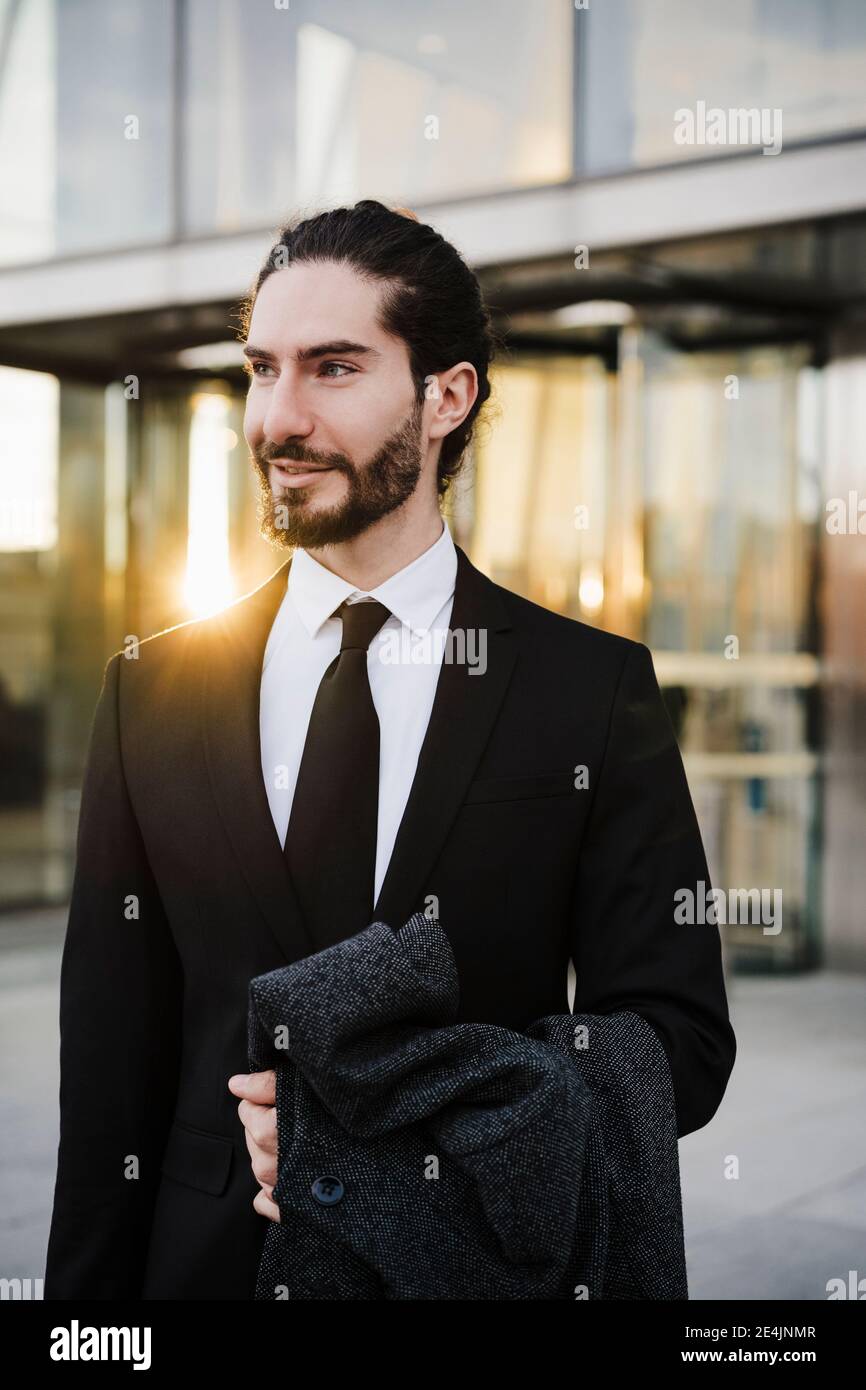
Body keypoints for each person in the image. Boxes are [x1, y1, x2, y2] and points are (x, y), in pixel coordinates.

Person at [44, 200, 735, 1300]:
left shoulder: (587, 690)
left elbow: (678, 1044)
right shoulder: (152, 689)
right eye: (261, 369)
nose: (278, 418)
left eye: (332, 368)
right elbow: (109, 1075)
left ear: (445, 395)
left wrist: (393, 1131)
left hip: (476, 1276)